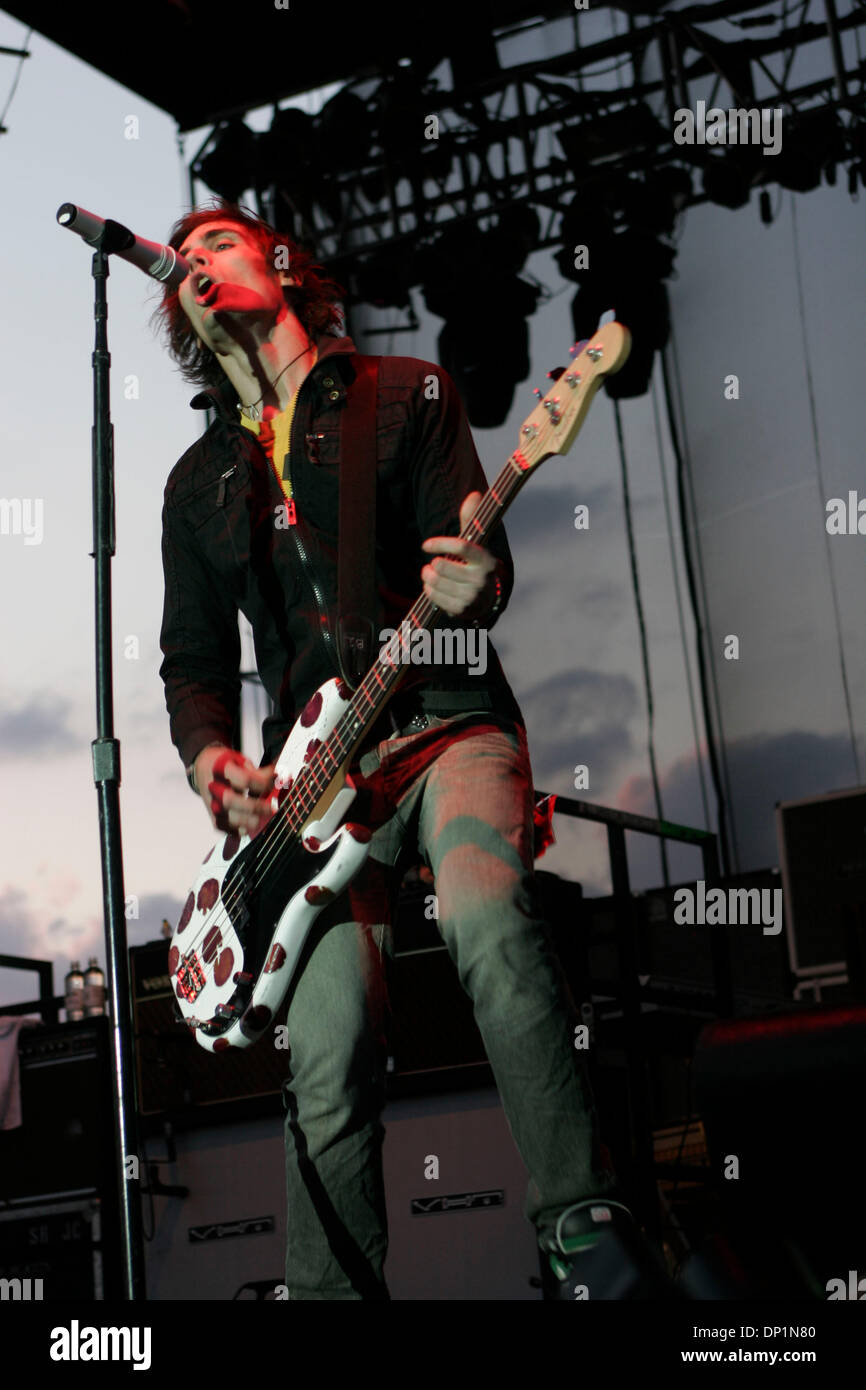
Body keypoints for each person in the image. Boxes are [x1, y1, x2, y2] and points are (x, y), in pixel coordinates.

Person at [156, 199, 639, 1300]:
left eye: (218, 241)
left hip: (443, 714)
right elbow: (190, 658)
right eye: (180, 257)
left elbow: (477, 565)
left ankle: (581, 1226)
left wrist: (475, 580)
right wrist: (211, 763)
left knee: (486, 918)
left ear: (283, 267)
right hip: (308, 788)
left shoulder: (406, 392)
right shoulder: (196, 483)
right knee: (324, 1055)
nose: (194, 258)